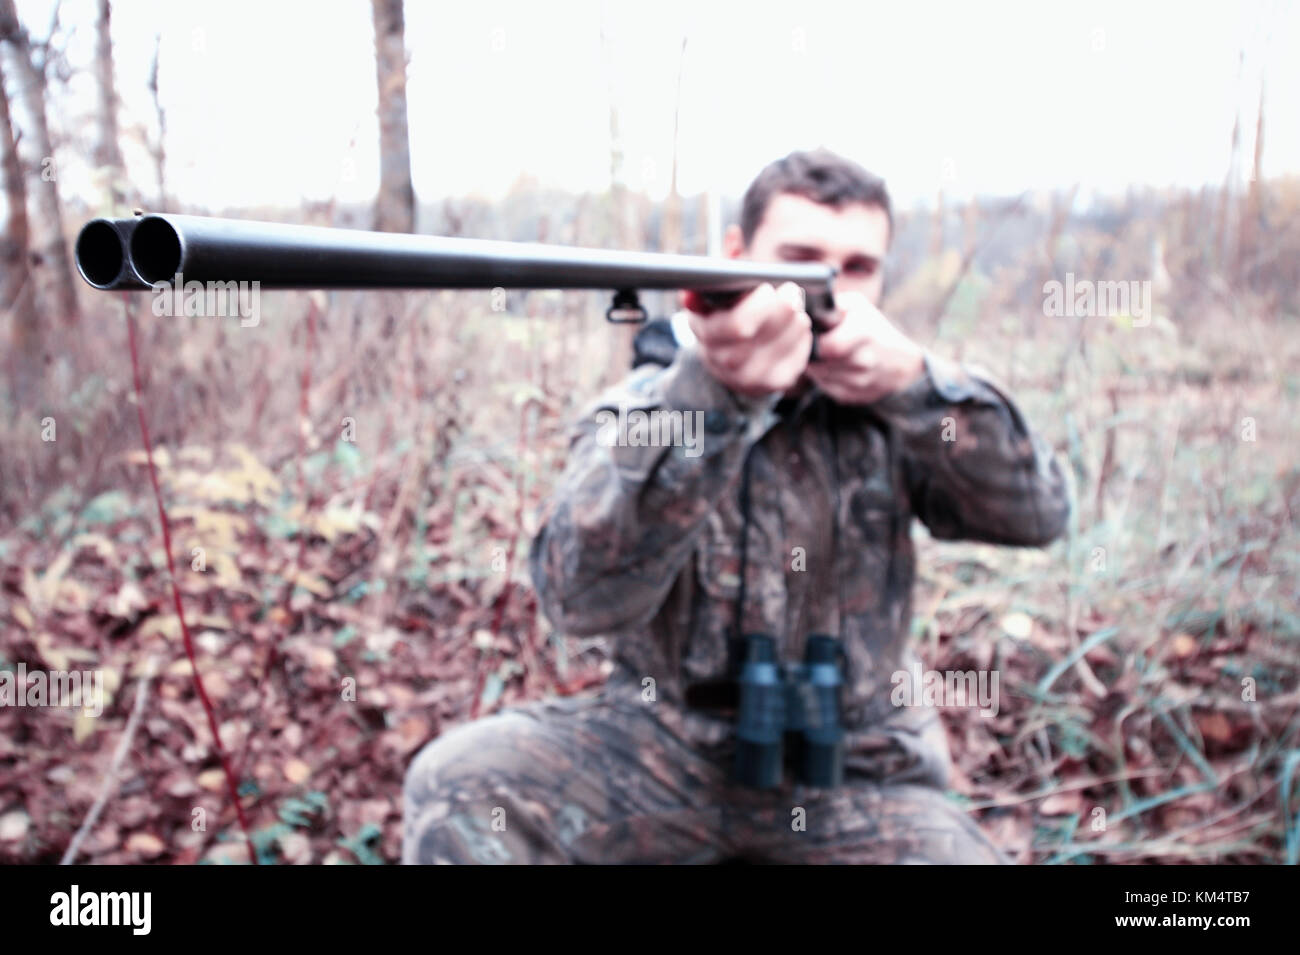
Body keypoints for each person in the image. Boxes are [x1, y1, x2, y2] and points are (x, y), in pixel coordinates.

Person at [403, 148, 1069, 864]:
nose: (830, 289)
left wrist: (914, 384)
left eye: (857, 268)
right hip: (665, 748)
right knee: (462, 783)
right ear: (735, 254)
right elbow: (578, 599)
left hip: (862, 773)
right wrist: (716, 397)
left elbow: (1039, 512)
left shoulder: (898, 409)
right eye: (801, 258)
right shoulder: (653, 401)